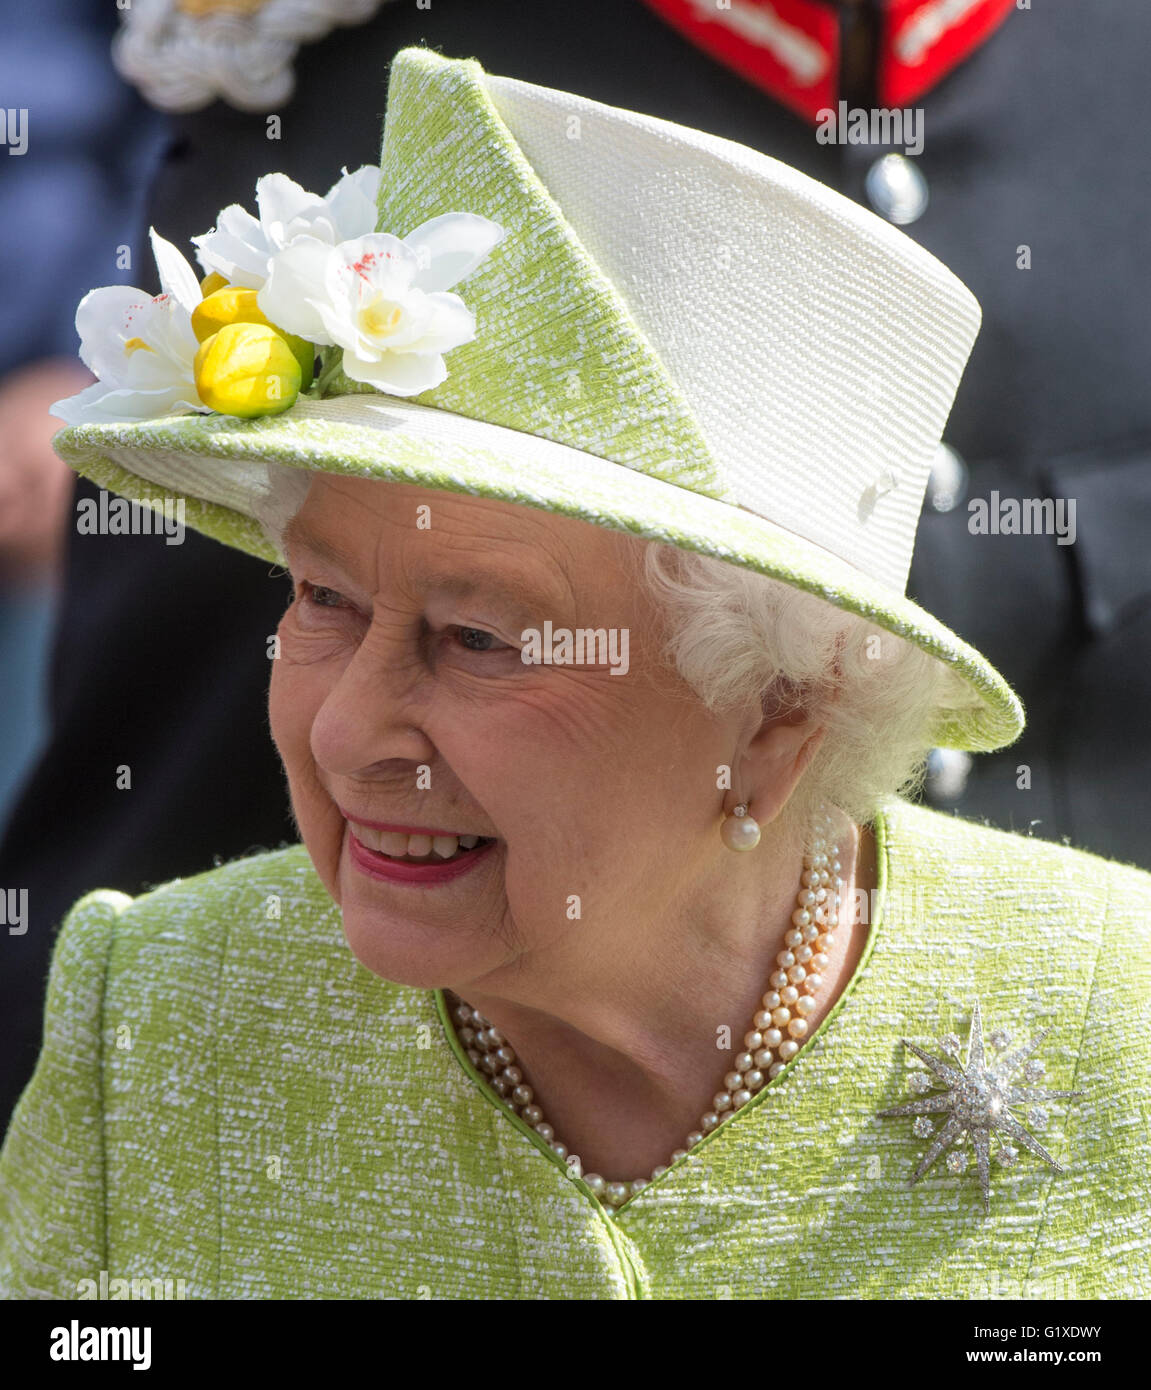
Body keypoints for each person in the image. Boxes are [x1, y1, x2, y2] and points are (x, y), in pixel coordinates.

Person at [1, 46, 1147, 1300]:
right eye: (325, 597)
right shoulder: (150, 1017)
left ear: (777, 715)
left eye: (479, 639)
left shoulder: (1118, 1025)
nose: (348, 728)